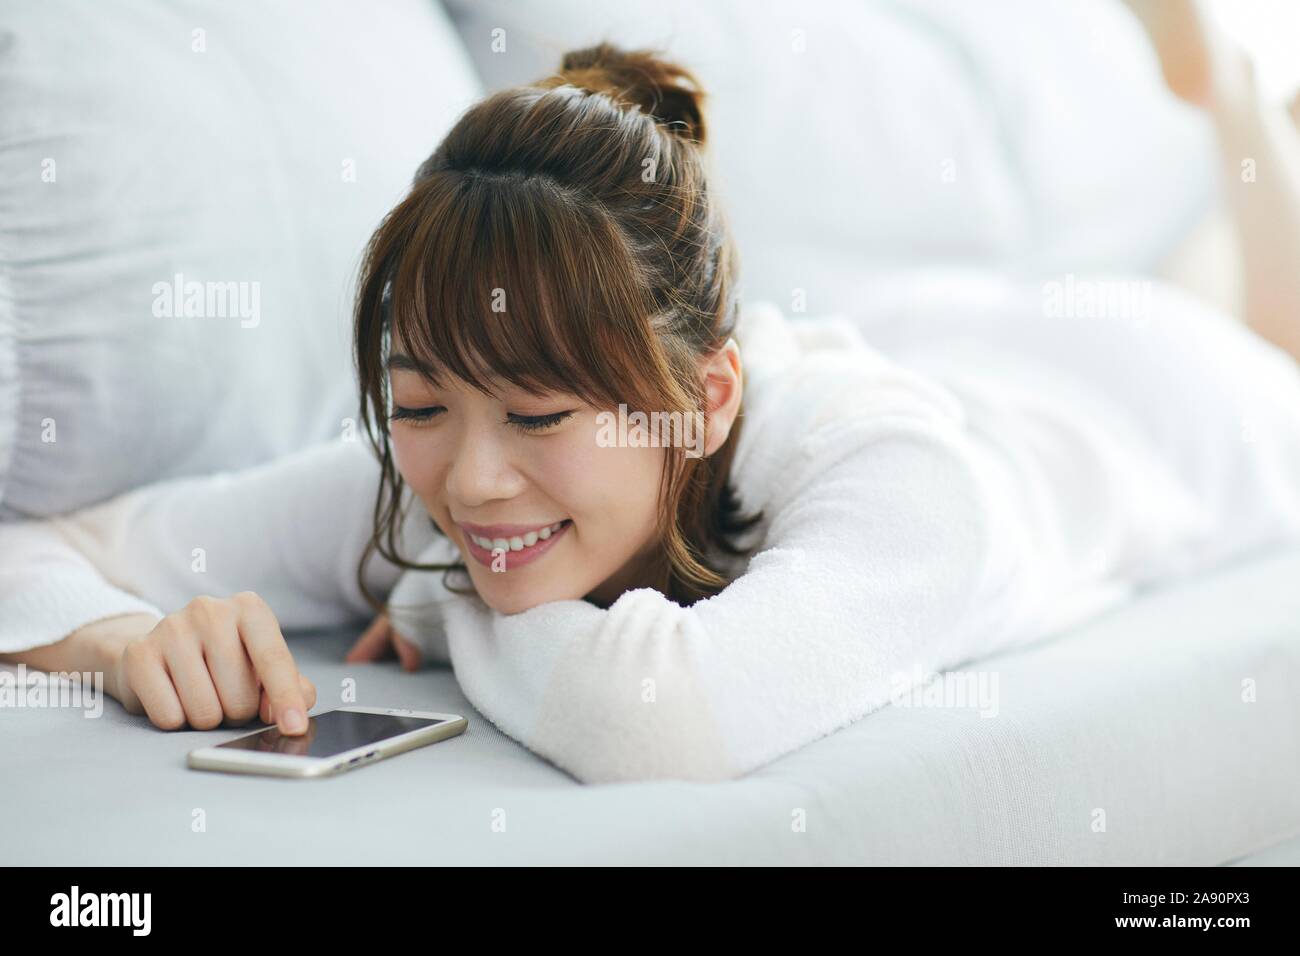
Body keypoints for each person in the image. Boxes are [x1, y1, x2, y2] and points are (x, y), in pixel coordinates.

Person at [4, 27, 1300, 783]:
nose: (467, 489)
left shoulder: (915, 492)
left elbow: (652, 717)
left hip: (1167, 396)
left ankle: (1234, 83)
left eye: (540, 417)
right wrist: (119, 640)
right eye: (417, 404)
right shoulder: (460, 457)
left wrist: (437, 606)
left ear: (702, 399)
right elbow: (43, 549)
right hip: (932, 329)